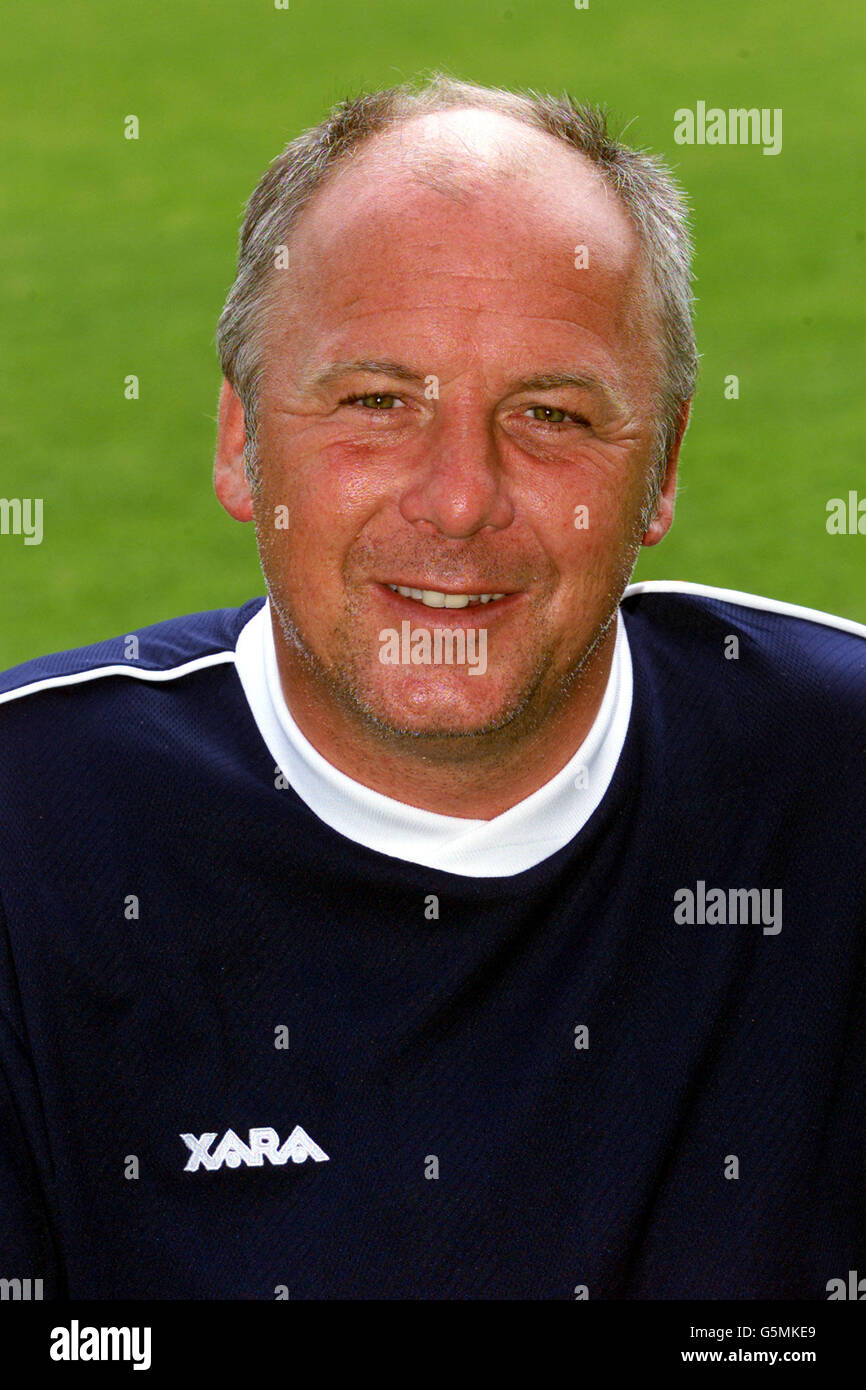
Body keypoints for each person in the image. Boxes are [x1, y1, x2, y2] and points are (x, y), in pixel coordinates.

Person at [0, 75, 863, 1301]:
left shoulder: (837, 782)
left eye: (551, 413)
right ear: (241, 440)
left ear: (661, 469)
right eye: (376, 402)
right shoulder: (30, 832)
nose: (459, 497)